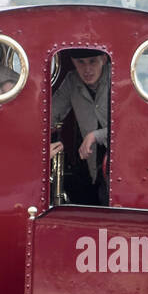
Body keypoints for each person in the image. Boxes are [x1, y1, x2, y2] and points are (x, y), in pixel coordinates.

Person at [49, 50, 110, 205]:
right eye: (81, 63)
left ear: (103, 59)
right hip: (93, 166)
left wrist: (95, 136)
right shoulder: (72, 80)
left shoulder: (117, 76)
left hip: (123, 165)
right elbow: (50, 115)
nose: (87, 69)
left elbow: (131, 128)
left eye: (92, 61)